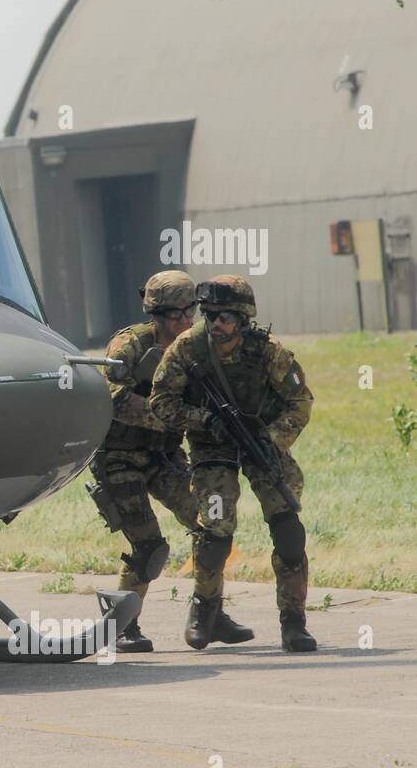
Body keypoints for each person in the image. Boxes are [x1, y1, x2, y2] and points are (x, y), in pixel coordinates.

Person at [150, 275, 317, 652]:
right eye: (209, 315)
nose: (216, 324)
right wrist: (205, 420)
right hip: (212, 449)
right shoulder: (187, 349)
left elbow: (300, 402)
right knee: (215, 531)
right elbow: (161, 402)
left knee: (289, 531)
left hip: (262, 445)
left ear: (242, 318)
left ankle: (294, 622)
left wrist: (271, 438)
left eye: (225, 316)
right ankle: (204, 610)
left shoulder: (269, 352)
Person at [89, 270, 202, 652]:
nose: (186, 321)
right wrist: (167, 415)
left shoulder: (193, 347)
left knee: (211, 523)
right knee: (149, 546)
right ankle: (121, 626)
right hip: (120, 458)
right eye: (178, 314)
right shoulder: (130, 345)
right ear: (157, 314)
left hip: (165, 456)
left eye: (192, 312)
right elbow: (112, 397)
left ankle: (208, 613)